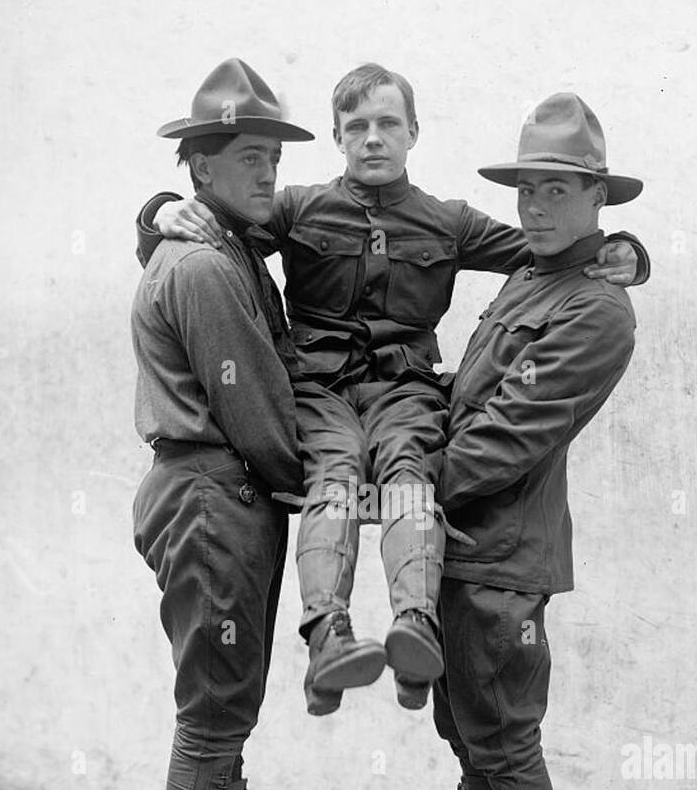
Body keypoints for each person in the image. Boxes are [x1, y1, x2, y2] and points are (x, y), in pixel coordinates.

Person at [136, 64, 650, 715]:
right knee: (334, 475)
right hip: (320, 392)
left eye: (387, 124)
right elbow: (218, 228)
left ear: (413, 132)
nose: (373, 138)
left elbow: (546, 246)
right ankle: (328, 636)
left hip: (406, 390)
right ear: (336, 137)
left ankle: (415, 628)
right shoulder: (297, 209)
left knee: (412, 472)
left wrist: (625, 249)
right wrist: (159, 212)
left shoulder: (449, 222)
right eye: (357, 127)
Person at [387, 94, 643, 790]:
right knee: (467, 743)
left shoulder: (596, 310)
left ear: (596, 198)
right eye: (526, 188)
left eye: (557, 189)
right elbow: (474, 394)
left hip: (506, 563)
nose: (534, 206)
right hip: (457, 553)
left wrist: (410, 486)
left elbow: (507, 437)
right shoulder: (528, 279)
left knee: (507, 749)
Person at [130, 58, 347, 790]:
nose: (266, 172)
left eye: (272, 154)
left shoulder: (226, 240)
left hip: (230, 500)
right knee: (210, 730)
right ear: (201, 166)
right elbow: (262, 418)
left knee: (226, 725)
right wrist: (344, 488)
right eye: (246, 156)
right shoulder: (211, 265)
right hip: (217, 496)